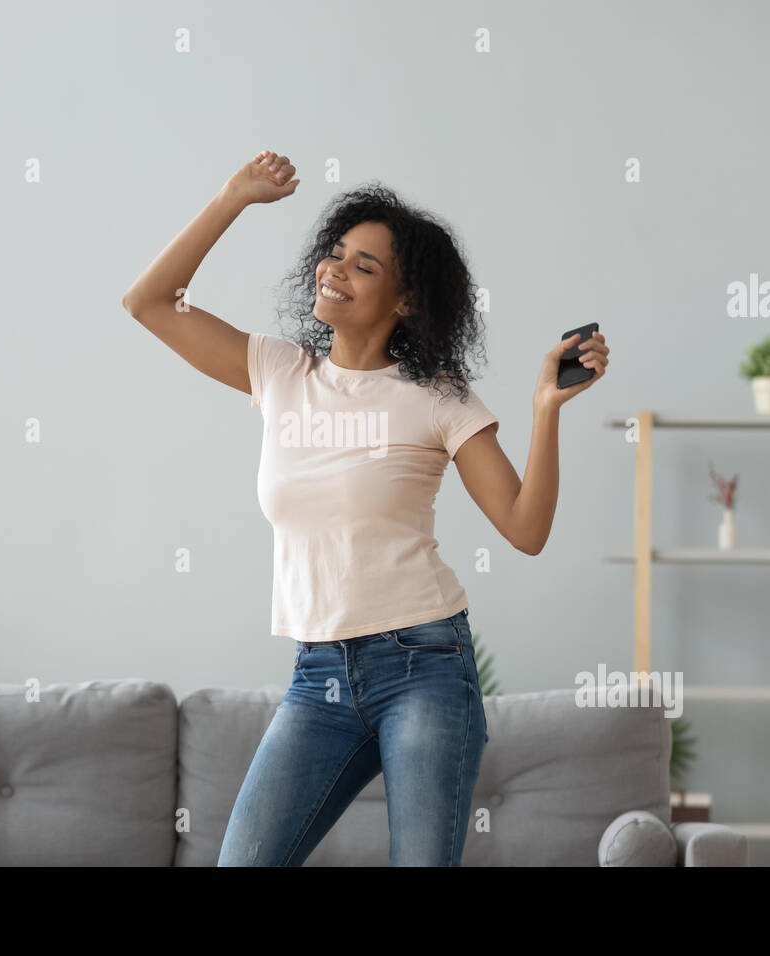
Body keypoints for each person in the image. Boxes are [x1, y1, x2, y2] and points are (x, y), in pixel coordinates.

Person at [121, 150, 609, 866]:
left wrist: (545, 410)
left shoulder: (438, 397)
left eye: (364, 266)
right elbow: (149, 302)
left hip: (424, 668)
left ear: (406, 302)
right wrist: (233, 197)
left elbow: (525, 528)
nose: (335, 269)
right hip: (315, 677)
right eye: (335, 254)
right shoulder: (278, 372)